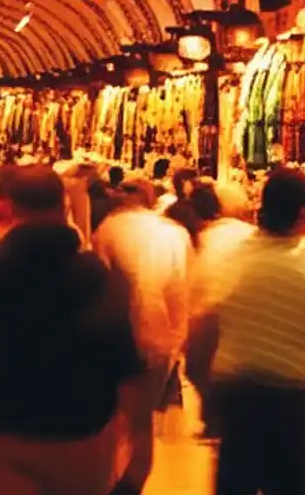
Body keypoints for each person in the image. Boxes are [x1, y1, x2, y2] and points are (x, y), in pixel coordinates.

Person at [0, 167, 143, 495]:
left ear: (10, 208)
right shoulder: (98, 277)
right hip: (82, 439)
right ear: (64, 207)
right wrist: (140, 447)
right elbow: (124, 364)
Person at [190, 168, 305, 495]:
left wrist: (208, 392)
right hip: (299, 414)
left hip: (241, 406)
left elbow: (200, 333)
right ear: (304, 214)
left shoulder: (231, 263)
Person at [93, 178, 192, 495]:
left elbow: (100, 282)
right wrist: (175, 344)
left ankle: (109, 482)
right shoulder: (175, 234)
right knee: (140, 423)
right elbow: (182, 291)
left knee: (109, 420)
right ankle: (130, 487)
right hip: (159, 340)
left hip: (116, 335)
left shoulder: (109, 228)